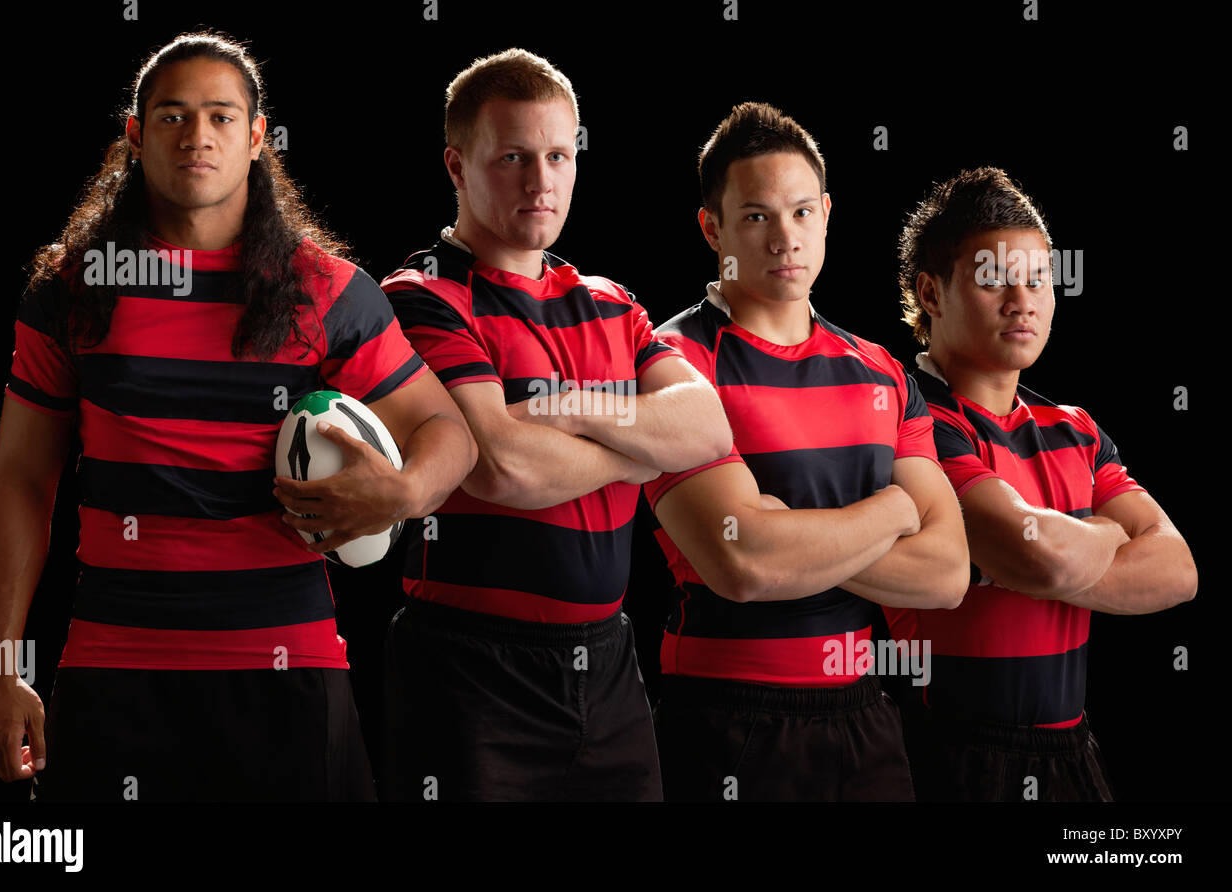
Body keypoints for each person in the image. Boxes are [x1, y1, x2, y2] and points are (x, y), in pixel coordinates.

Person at [0, 31, 476, 802]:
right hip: (116, 674)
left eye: (219, 116)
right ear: (137, 138)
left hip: (289, 673)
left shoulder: (329, 292)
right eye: (172, 116)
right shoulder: (71, 293)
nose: (196, 136)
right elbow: (20, 479)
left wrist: (404, 494)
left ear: (254, 138)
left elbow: (447, 435)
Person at [378, 48, 733, 801]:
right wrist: (637, 449)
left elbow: (706, 429)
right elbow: (501, 467)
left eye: (558, 155)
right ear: (456, 164)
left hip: (607, 662)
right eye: (512, 157)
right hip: (469, 668)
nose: (541, 182)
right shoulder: (420, 296)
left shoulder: (610, 299)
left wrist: (568, 408)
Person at [642, 102, 971, 801]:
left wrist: (791, 534)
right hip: (725, 721)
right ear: (713, 228)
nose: (784, 238)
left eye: (800, 212)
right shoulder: (673, 363)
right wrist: (890, 507)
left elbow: (946, 574)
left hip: (865, 717)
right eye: (757, 216)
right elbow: (744, 563)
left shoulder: (881, 370)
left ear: (825, 213)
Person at [887, 166, 1198, 800]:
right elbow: (1040, 556)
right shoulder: (910, 421)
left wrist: (1045, 560)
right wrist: (1109, 532)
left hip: (1071, 748)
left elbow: (1178, 569)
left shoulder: (1075, 429)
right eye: (994, 279)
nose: (1022, 300)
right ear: (932, 292)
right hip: (945, 752)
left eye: (1036, 280)